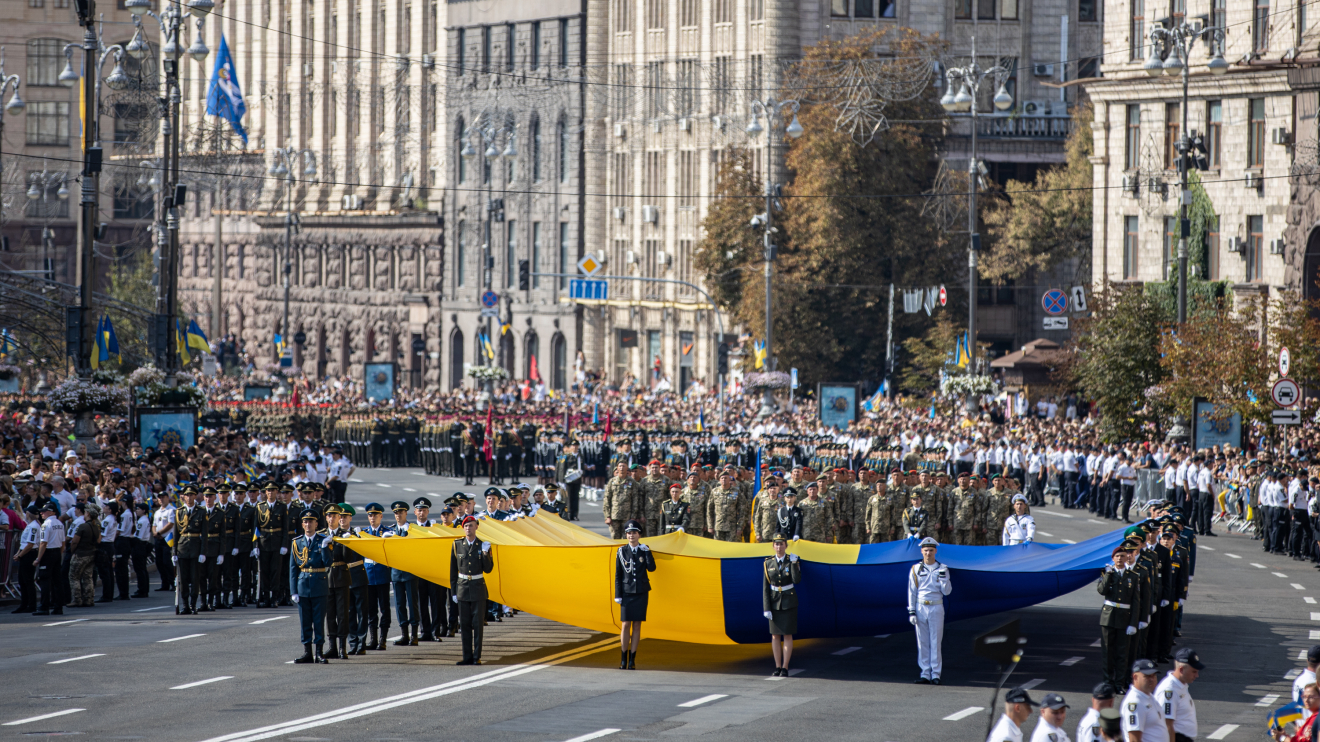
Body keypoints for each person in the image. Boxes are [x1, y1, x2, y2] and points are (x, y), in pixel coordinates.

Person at [290, 508, 334, 664]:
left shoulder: (323, 540)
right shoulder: (297, 542)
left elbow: (328, 563)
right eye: (305, 521)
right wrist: (293, 590)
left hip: (319, 584)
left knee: (318, 621)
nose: (308, 524)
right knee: (305, 621)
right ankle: (307, 652)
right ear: (302, 524)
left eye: (311, 521)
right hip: (303, 586)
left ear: (316, 523)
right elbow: (293, 569)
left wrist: (324, 547)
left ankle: (319, 652)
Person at [450, 514, 494, 665]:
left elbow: (488, 569)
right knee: (465, 625)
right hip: (462, 589)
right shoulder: (457, 545)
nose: (469, 528)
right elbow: (452, 570)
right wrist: (454, 592)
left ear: (476, 527)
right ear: (463, 528)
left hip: (478, 588)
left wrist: (486, 554)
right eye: (466, 526)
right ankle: (467, 656)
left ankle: (477, 657)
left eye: (471, 525)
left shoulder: (483, 545)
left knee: (478, 625)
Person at [908, 536, 952, 684]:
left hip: (936, 606)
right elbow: (912, 592)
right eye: (926, 550)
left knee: (935, 641)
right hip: (921, 607)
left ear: (936, 551)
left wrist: (944, 578)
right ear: (921, 551)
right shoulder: (915, 569)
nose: (928, 553)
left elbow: (947, 592)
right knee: (922, 642)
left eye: (931, 550)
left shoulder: (942, 568)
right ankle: (925, 673)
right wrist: (912, 611)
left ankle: (936, 674)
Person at [614, 519, 656, 670]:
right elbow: (618, 575)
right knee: (625, 625)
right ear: (626, 535)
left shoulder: (644, 550)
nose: (631, 536)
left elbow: (652, 568)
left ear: (639, 534)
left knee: (637, 625)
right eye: (629, 533)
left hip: (641, 591)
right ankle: (623, 658)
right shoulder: (621, 551)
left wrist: (648, 552)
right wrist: (618, 594)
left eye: (634, 533)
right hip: (626, 592)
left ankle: (632, 659)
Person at [1099, 545, 1139, 691]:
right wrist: (1108, 575)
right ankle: (1108, 683)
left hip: (1124, 618)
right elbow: (1102, 590)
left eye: (1123, 556)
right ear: (1113, 558)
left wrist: (1133, 623)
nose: (1120, 559)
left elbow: (1136, 601)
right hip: (1108, 617)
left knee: (1122, 654)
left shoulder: (1133, 576)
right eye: (1118, 556)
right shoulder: (1106, 573)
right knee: (1108, 652)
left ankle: (1119, 684)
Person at [762, 532, 801, 677]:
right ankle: (777, 666)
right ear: (773, 546)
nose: (779, 547)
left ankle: (785, 667)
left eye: (781, 544)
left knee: (787, 635)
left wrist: (794, 564)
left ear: (786, 545)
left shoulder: (791, 560)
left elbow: (796, 581)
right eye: (776, 544)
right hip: (773, 602)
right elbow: (765, 587)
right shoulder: (768, 563)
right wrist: (766, 608)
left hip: (788, 602)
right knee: (775, 636)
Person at [358, 502, 393, 651]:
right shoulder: (364, 533)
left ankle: (382, 639)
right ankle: (373, 639)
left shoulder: (386, 532)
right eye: (370, 515)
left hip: (382, 574)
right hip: (368, 576)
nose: (372, 518)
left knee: (384, 609)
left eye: (375, 515)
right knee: (371, 610)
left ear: (381, 516)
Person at [1154, 648, 1202, 742]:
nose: (1197, 675)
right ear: (1181, 669)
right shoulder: (1169, 690)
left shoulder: (1180, 685)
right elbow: (1167, 725)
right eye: (1194, 671)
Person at [1121, 659, 1168, 742]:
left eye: (1153, 675)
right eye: (1147, 676)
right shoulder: (1135, 702)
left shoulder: (1148, 696)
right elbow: (1134, 739)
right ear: (1135, 677)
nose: (1152, 679)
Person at [33, 502, 65, 616]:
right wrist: (59, 554)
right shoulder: (60, 523)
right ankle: (58, 606)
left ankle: (44, 607)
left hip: (48, 553)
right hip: (56, 552)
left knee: (45, 580)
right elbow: (63, 542)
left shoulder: (46, 524)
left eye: (44, 511)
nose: (41, 513)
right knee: (57, 581)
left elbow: (43, 543)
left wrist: (38, 558)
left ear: (51, 512)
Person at [12, 505, 41, 613]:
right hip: (25, 553)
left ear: (28, 514)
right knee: (22, 581)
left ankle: (30, 604)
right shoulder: (30, 525)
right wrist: (18, 553)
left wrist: (20, 555)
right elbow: (24, 543)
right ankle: (24, 604)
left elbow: (30, 544)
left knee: (28, 580)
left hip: (29, 554)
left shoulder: (33, 526)